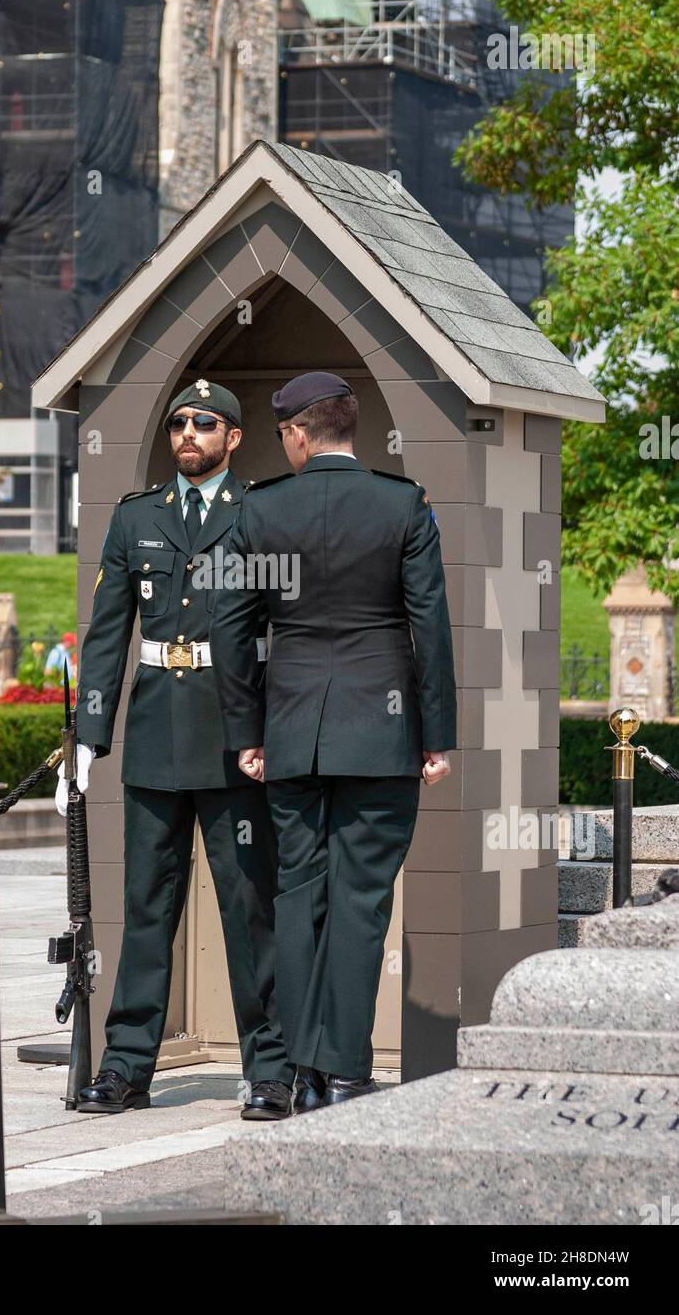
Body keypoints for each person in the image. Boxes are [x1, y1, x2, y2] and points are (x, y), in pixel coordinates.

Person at [209, 371, 457, 1114]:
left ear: (296, 434)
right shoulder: (401, 504)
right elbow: (430, 631)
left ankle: (289, 1074)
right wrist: (436, 738)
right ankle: (343, 1071)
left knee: (297, 896)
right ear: (351, 429)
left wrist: (246, 731)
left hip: (291, 732)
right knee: (360, 900)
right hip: (380, 736)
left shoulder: (261, 509)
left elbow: (231, 630)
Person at [56, 379, 294, 1120]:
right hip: (156, 735)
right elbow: (105, 637)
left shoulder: (259, 512)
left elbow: (287, 628)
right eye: (178, 422)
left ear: (232, 436)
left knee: (249, 908)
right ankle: (127, 1066)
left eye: (204, 423)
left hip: (234, 737)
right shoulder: (136, 520)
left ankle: (270, 1071)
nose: (187, 432)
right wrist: (88, 738)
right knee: (146, 906)